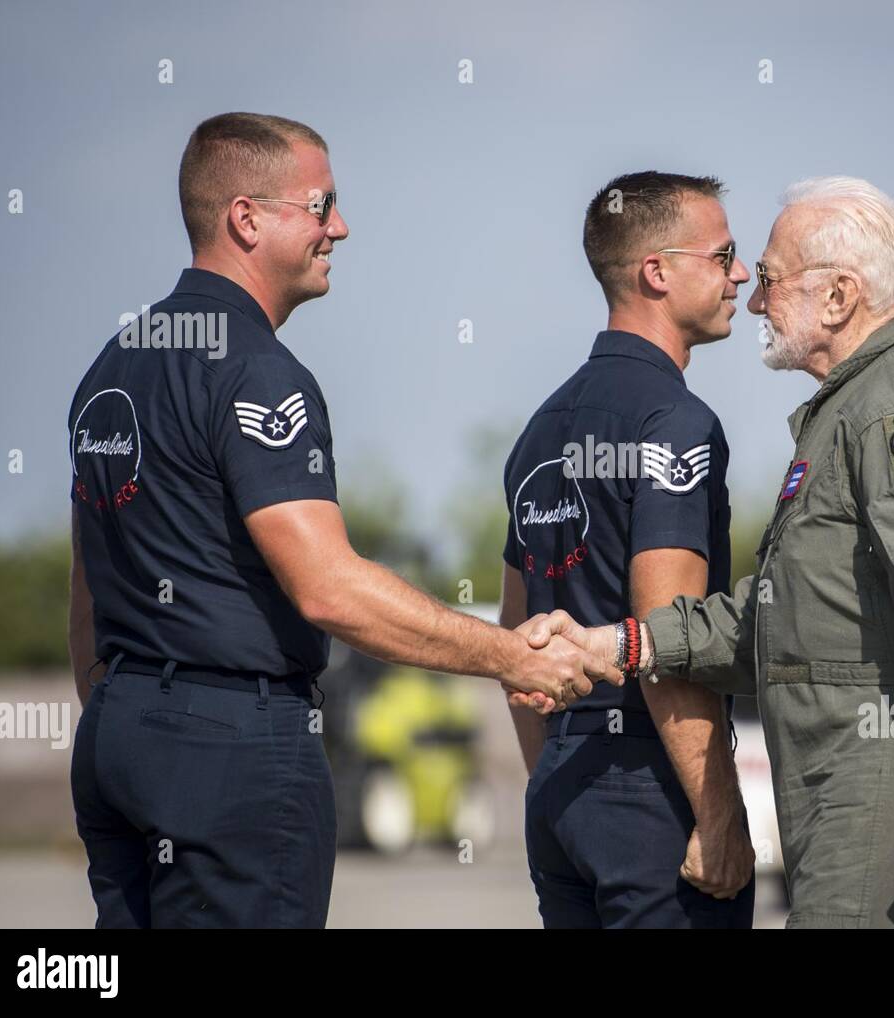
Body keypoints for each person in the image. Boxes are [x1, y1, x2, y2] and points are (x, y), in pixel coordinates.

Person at [67, 112, 617, 929]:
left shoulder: (110, 367)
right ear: (247, 218)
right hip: (231, 747)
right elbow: (327, 589)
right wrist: (511, 656)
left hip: (120, 738)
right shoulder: (256, 372)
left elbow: (88, 600)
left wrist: (128, 724)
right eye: (321, 206)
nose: (341, 227)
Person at [516, 177, 894, 928]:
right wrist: (627, 643)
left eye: (773, 278)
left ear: (840, 296)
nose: (754, 296)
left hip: (877, 803)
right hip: (830, 801)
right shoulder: (844, 415)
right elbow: (780, 616)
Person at [499, 171, 755, 928]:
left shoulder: (539, 429)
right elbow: (667, 637)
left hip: (562, 784)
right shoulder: (675, 421)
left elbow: (517, 648)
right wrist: (718, 816)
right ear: (657, 272)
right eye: (724, 254)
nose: (741, 273)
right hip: (648, 780)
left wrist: (550, 777)